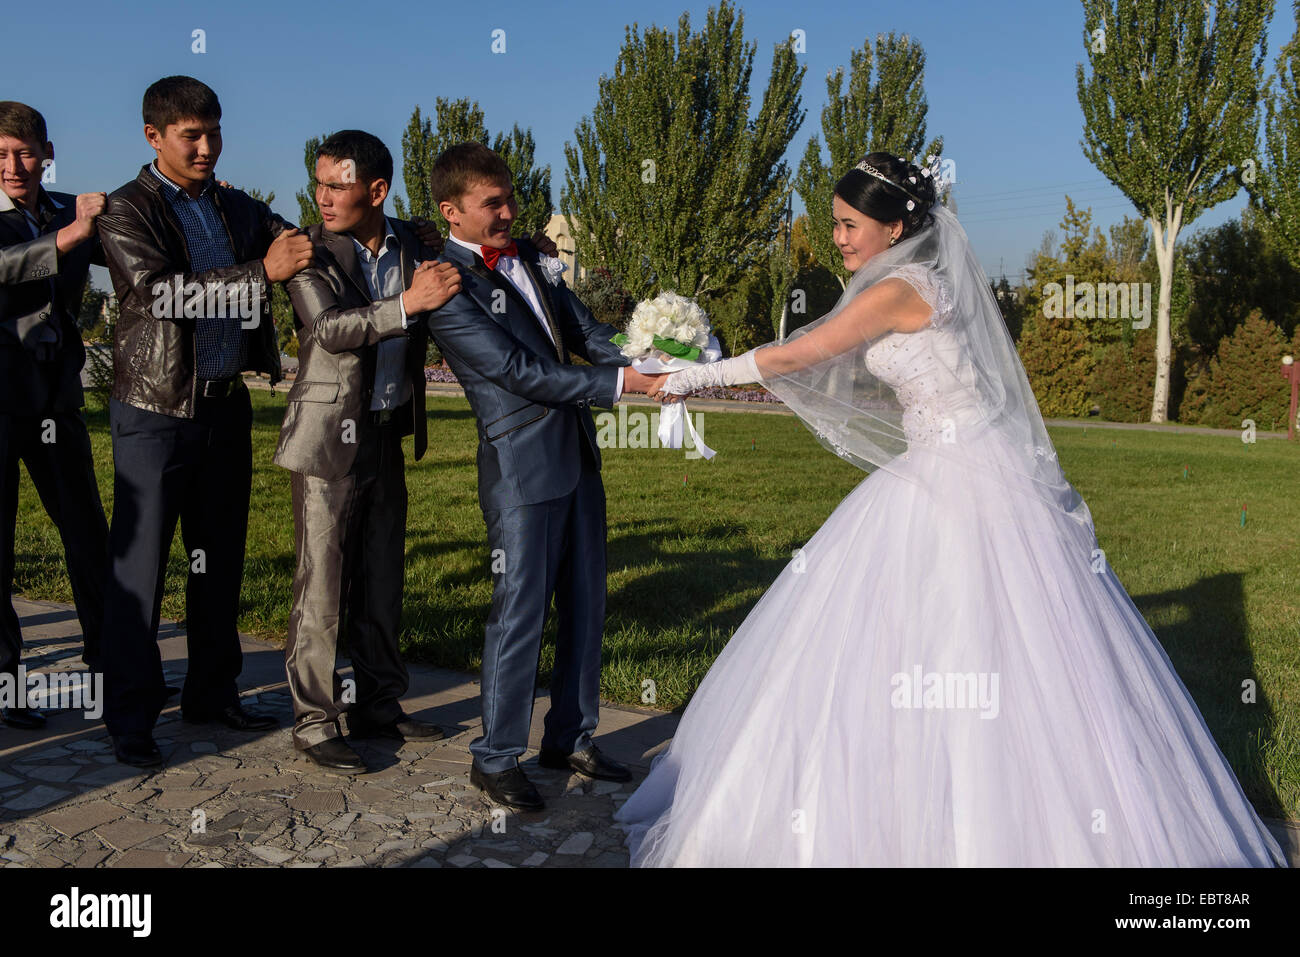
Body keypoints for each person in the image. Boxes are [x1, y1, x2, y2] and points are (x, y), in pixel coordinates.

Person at [618, 152, 1289, 867]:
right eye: (837, 223)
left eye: (850, 224)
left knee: (977, 638)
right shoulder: (905, 283)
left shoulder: (904, 287)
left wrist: (686, 379)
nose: (838, 238)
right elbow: (856, 377)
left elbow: (797, 356)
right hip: (940, 462)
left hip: (966, 474)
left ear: (897, 224)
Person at [425, 143, 669, 810]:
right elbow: (519, 373)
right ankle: (496, 755)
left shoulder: (535, 259)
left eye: (510, 196)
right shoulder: (445, 285)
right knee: (520, 611)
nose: (509, 211)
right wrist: (624, 383)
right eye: (492, 203)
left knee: (588, 603)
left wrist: (662, 353)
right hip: (520, 470)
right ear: (453, 210)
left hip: (578, 458)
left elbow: (586, 331)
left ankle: (571, 737)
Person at [95, 75, 317, 767]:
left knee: (216, 561)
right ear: (152, 135)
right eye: (191, 135)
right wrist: (261, 272)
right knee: (139, 571)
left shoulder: (233, 205)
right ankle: (129, 715)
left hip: (225, 406)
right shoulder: (126, 210)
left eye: (213, 132)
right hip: (154, 411)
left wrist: (402, 234)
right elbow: (161, 293)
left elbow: (306, 240)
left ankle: (213, 692)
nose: (206, 146)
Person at [276, 129, 464, 772]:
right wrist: (407, 305)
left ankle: (380, 704)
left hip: (386, 433)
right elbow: (329, 331)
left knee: (382, 579)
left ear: (376, 190)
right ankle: (314, 720)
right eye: (318, 182)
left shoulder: (413, 241)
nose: (322, 197)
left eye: (337, 184)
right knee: (323, 585)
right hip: (327, 441)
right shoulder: (308, 254)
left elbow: (462, 238)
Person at [0, 101, 111, 729]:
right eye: (1, 154)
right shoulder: (66, 224)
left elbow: (138, 230)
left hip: (56, 401)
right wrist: (66, 238)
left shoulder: (73, 206)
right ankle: (7, 686)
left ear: (48, 151)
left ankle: (108, 660)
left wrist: (212, 199)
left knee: (88, 534)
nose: (14, 166)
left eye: (25, 151)